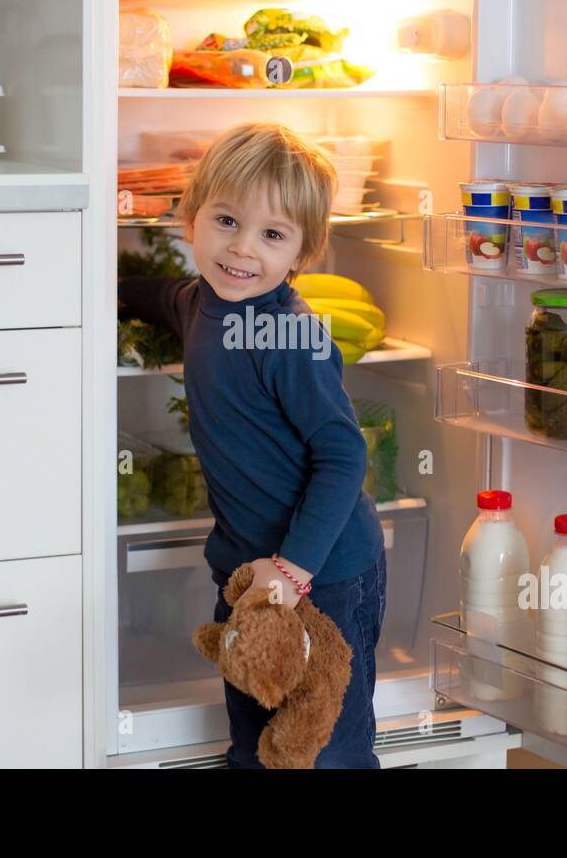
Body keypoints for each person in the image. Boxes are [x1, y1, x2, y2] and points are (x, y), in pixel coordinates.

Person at [118, 122, 387, 768]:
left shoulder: (292, 337)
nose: (242, 249)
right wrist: (102, 286)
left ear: (301, 251)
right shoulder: (200, 304)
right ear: (191, 220)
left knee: (324, 750)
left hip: (322, 573)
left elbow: (343, 454)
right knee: (257, 739)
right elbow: (159, 297)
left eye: (271, 235)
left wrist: (293, 572)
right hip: (246, 577)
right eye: (227, 221)